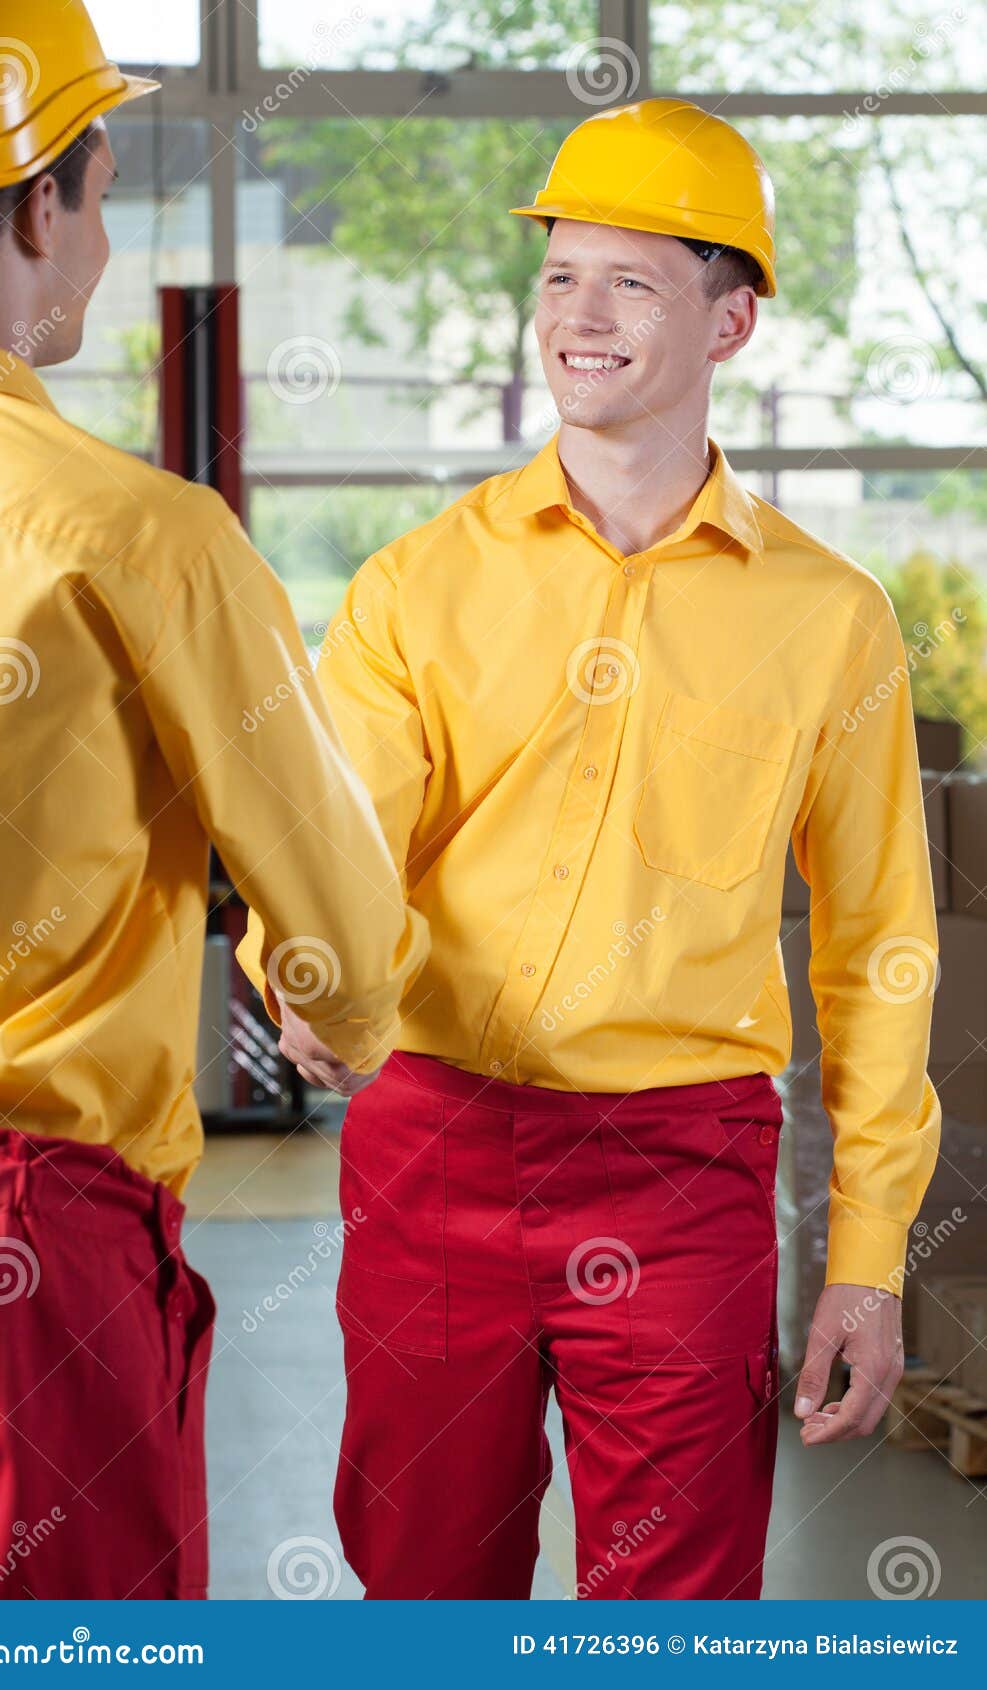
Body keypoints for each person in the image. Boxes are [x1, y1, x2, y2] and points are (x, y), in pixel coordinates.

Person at [257, 98, 940, 1599]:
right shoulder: (414, 590)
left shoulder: (830, 623)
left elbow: (882, 947)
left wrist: (868, 1253)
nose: (580, 316)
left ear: (734, 318)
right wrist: (303, 965)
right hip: (434, 1143)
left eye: (632, 281)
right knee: (428, 1594)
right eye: (559, 276)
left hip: (684, 1168)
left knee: (678, 1615)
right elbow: (334, 842)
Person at [0, 0, 427, 1599]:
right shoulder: (141, 538)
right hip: (19, 1251)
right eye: (98, 190)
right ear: (44, 201)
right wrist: (336, 998)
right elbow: (341, 925)